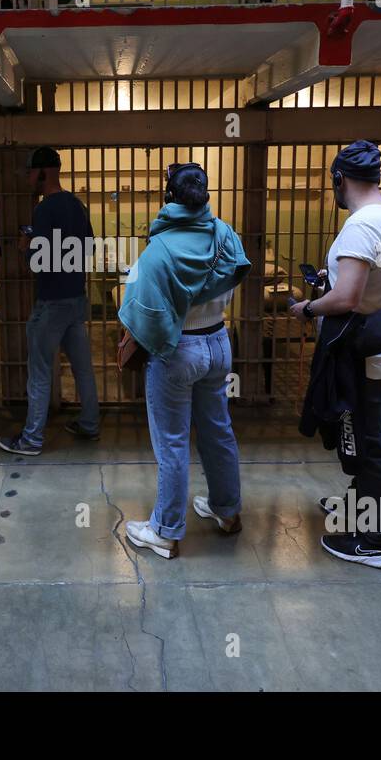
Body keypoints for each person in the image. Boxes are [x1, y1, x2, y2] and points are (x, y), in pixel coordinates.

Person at [297, 140, 381, 570]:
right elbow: (372, 284)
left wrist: (308, 307)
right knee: (364, 434)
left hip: (365, 356)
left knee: (369, 443)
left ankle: (375, 540)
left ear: (339, 179)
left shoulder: (361, 226)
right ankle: (358, 505)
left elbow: (347, 298)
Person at [119, 163, 250, 559]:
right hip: (219, 344)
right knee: (218, 430)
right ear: (204, 195)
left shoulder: (159, 250)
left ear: (169, 198)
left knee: (173, 442)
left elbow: (142, 314)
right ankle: (227, 511)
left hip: (178, 352)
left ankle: (165, 530)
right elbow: (239, 271)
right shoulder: (224, 234)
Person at [0, 146, 101, 457]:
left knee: (40, 371)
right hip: (75, 300)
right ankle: (90, 424)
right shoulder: (77, 205)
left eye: (30, 173)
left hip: (51, 302)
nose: (28, 179)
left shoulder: (44, 210)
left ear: (43, 172)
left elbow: (37, 262)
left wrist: (24, 246)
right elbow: (90, 250)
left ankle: (31, 440)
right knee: (83, 368)